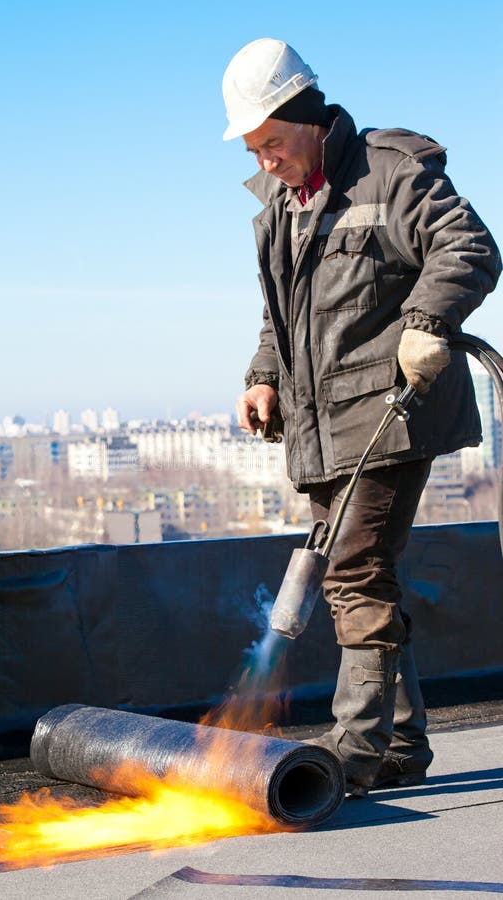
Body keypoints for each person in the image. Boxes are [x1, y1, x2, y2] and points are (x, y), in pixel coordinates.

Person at [222, 38, 501, 795]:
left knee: (352, 570)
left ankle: (359, 742)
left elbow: (469, 247)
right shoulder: (282, 204)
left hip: (390, 412)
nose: (265, 161)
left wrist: (427, 322)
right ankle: (403, 743)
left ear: (307, 118)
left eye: (272, 143)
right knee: (362, 572)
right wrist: (263, 376)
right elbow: (283, 315)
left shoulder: (389, 172)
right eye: (253, 149)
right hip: (320, 426)